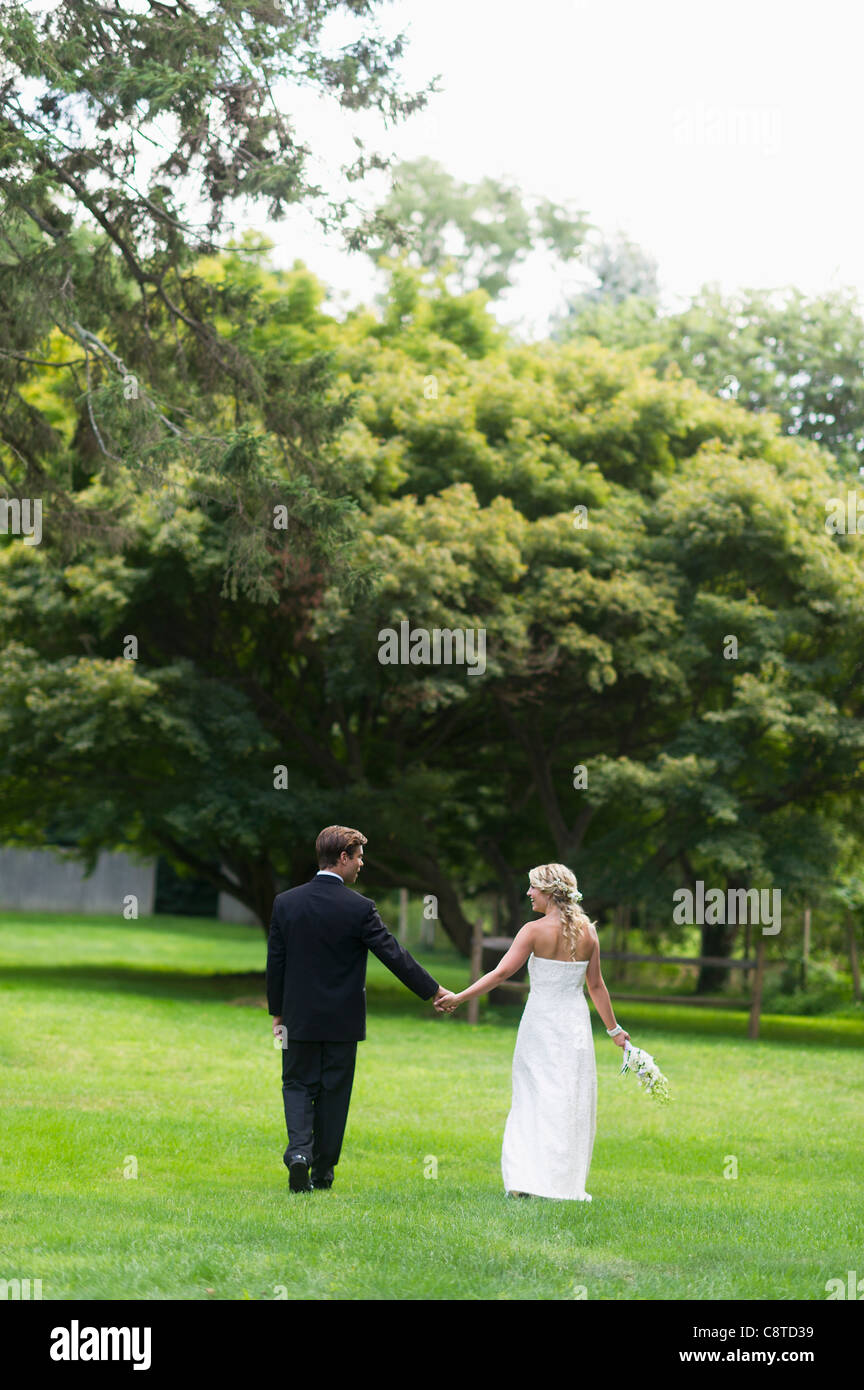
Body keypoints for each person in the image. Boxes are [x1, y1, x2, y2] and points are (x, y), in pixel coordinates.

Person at [267, 825, 451, 1192]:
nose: (362, 864)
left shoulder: (286, 903)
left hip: (299, 1017)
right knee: (334, 1093)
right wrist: (432, 990)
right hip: (343, 1021)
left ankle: (299, 1154)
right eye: (359, 857)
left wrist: (278, 1011)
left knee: (298, 1085)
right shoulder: (360, 908)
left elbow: (277, 962)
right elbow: (394, 954)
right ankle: (322, 1172)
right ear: (343, 858)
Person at [434, 863, 630, 1201]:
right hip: (574, 1027)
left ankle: (524, 1180)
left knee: (532, 1098)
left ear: (550, 892)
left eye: (533, 888)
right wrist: (614, 1030)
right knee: (568, 1100)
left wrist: (459, 997)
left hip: (540, 1024)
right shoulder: (588, 932)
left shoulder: (533, 930)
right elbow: (596, 986)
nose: (528, 894)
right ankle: (558, 1181)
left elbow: (499, 974)